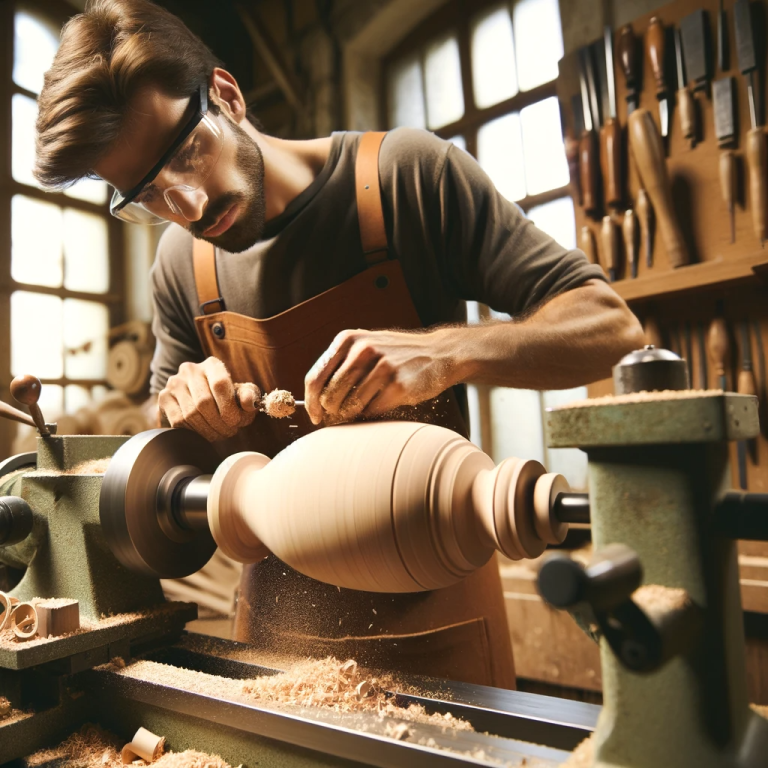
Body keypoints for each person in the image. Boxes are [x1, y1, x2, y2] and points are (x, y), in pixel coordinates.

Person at [34, 0, 644, 689]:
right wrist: (181, 413)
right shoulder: (181, 263)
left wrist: (448, 354)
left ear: (228, 97)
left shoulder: (408, 177)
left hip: (441, 619)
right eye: (145, 193)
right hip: (275, 641)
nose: (189, 205)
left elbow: (610, 326)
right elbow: (155, 436)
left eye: (186, 152)